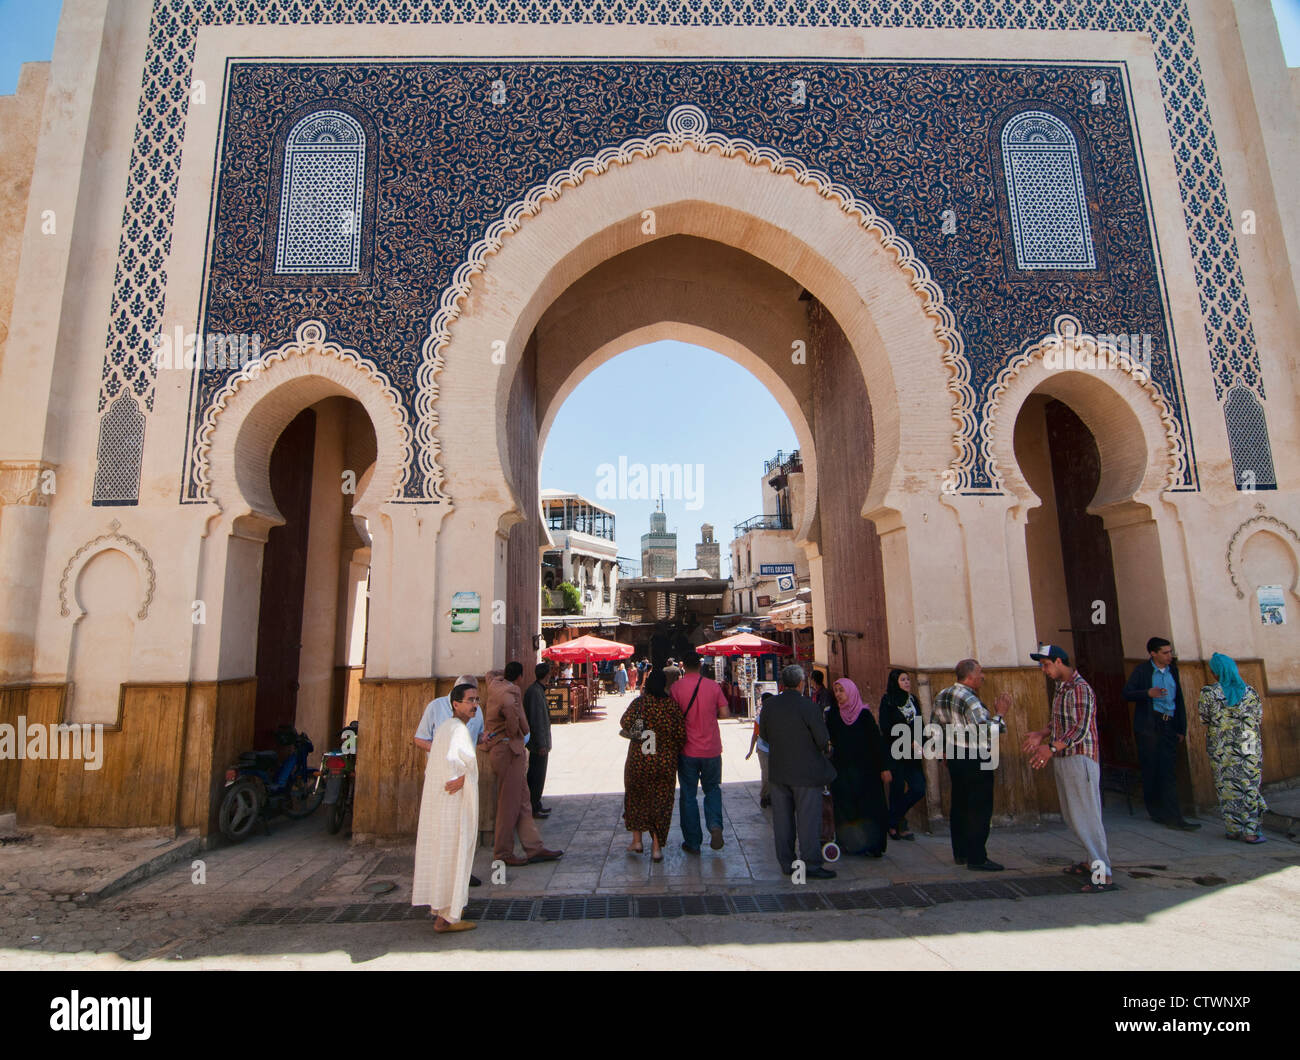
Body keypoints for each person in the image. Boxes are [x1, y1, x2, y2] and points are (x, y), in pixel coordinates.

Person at [1023, 645, 1114, 893]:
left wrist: (1051, 748)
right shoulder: (1061, 688)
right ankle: (1091, 860)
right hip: (1064, 756)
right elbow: (1059, 721)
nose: (1044, 670)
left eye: (1046, 665)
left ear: (1059, 661)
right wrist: (1042, 734)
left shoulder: (1080, 688)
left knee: (1087, 816)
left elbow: (1080, 728)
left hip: (1080, 758)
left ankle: (1102, 873)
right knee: (1074, 815)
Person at [412, 683, 480, 932]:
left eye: (477, 700)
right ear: (456, 704)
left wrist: (465, 777)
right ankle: (447, 918)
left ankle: (444, 911)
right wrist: (466, 779)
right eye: (470, 700)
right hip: (452, 805)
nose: (475, 705)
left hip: (443, 804)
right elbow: (456, 768)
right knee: (455, 854)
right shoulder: (455, 729)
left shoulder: (447, 728)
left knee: (447, 855)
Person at [931, 659, 1010, 871]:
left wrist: (943, 753)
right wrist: (1000, 713)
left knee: (959, 805)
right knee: (979, 807)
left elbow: (935, 728)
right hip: (974, 757)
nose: (983, 676)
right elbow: (987, 730)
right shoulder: (971, 700)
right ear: (970, 676)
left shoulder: (942, 695)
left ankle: (961, 853)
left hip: (955, 756)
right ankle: (977, 857)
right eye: (980, 672)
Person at [759, 664, 837, 879]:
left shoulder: (770, 706)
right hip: (805, 771)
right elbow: (822, 739)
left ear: (782, 684)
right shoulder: (808, 706)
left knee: (782, 821)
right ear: (801, 683)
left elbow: (764, 735)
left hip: (779, 769)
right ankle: (810, 864)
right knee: (808, 819)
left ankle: (787, 863)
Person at [482, 663, 563, 866]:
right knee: (509, 804)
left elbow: (490, 673)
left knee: (523, 802)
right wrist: (519, 732)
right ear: (519, 677)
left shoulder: (494, 685)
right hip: (508, 750)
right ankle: (503, 852)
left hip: (506, 751)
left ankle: (533, 846)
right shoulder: (510, 694)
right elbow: (517, 721)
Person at [1123, 637, 1200, 830]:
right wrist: (1147, 693)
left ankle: (1174, 817)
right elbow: (1127, 693)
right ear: (1153, 654)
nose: (1169, 656)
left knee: (1168, 771)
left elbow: (1179, 699)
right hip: (1150, 725)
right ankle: (1157, 811)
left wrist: (1180, 728)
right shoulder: (1142, 671)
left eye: (1170, 652)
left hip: (1169, 724)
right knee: (1151, 769)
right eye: (1165, 653)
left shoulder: (1173, 670)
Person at [1197, 653, 1268, 843]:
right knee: (1249, 786)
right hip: (1249, 743)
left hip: (1222, 745)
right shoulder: (1250, 692)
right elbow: (1258, 717)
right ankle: (1251, 832)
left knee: (1226, 785)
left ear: (1215, 672)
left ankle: (1233, 829)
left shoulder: (1209, 693)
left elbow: (1204, 718)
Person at [621, 667, 687, 861]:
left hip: (639, 762)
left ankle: (637, 841)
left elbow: (625, 723)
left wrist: (640, 727)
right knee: (660, 804)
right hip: (664, 764)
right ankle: (657, 847)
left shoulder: (639, 705)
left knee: (636, 799)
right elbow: (681, 735)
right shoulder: (672, 707)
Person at [671, 652, 731, 853]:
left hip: (687, 750)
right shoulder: (713, 686)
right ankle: (715, 825)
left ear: (684, 666)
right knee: (712, 789)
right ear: (700, 666)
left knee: (688, 794)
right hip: (712, 748)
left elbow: (672, 716)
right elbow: (725, 713)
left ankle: (693, 842)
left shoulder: (676, 688)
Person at [826, 678, 891, 857]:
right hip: (843, 770)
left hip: (866, 771)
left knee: (869, 808)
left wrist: (884, 768)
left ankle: (873, 846)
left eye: (842, 690)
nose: (838, 694)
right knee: (846, 808)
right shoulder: (832, 714)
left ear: (851, 692)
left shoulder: (864, 715)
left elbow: (876, 743)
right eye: (836, 690)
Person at [878, 668, 926, 841]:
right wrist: (906, 739)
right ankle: (899, 825)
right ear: (895, 682)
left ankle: (893, 819)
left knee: (919, 788)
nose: (906, 682)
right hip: (896, 751)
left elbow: (920, 723)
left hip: (913, 753)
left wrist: (922, 742)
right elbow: (885, 727)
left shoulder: (913, 700)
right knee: (897, 789)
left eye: (907, 679)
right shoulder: (888, 701)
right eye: (902, 680)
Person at [413, 673, 482, 750]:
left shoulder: (477, 709)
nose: (474, 703)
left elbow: (475, 737)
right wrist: (442, 751)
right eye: (470, 699)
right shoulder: (435, 706)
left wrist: (483, 738)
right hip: (440, 761)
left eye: (475, 698)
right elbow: (420, 739)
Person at [523, 662, 553, 818]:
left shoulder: (538, 690)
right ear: (546, 674)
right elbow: (536, 720)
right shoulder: (535, 692)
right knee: (536, 775)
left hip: (540, 742)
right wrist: (541, 743)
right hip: (537, 744)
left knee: (539, 775)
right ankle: (533, 806)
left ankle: (537, 803)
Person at [746, 691, 774, 808]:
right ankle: (764, 796)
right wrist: (751, 750)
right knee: (766, 774)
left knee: (774, 774)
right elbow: (755, 736)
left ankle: (771, 796)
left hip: (774, 749)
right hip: (763, 749)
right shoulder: (759, 719)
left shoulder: (777, 715)